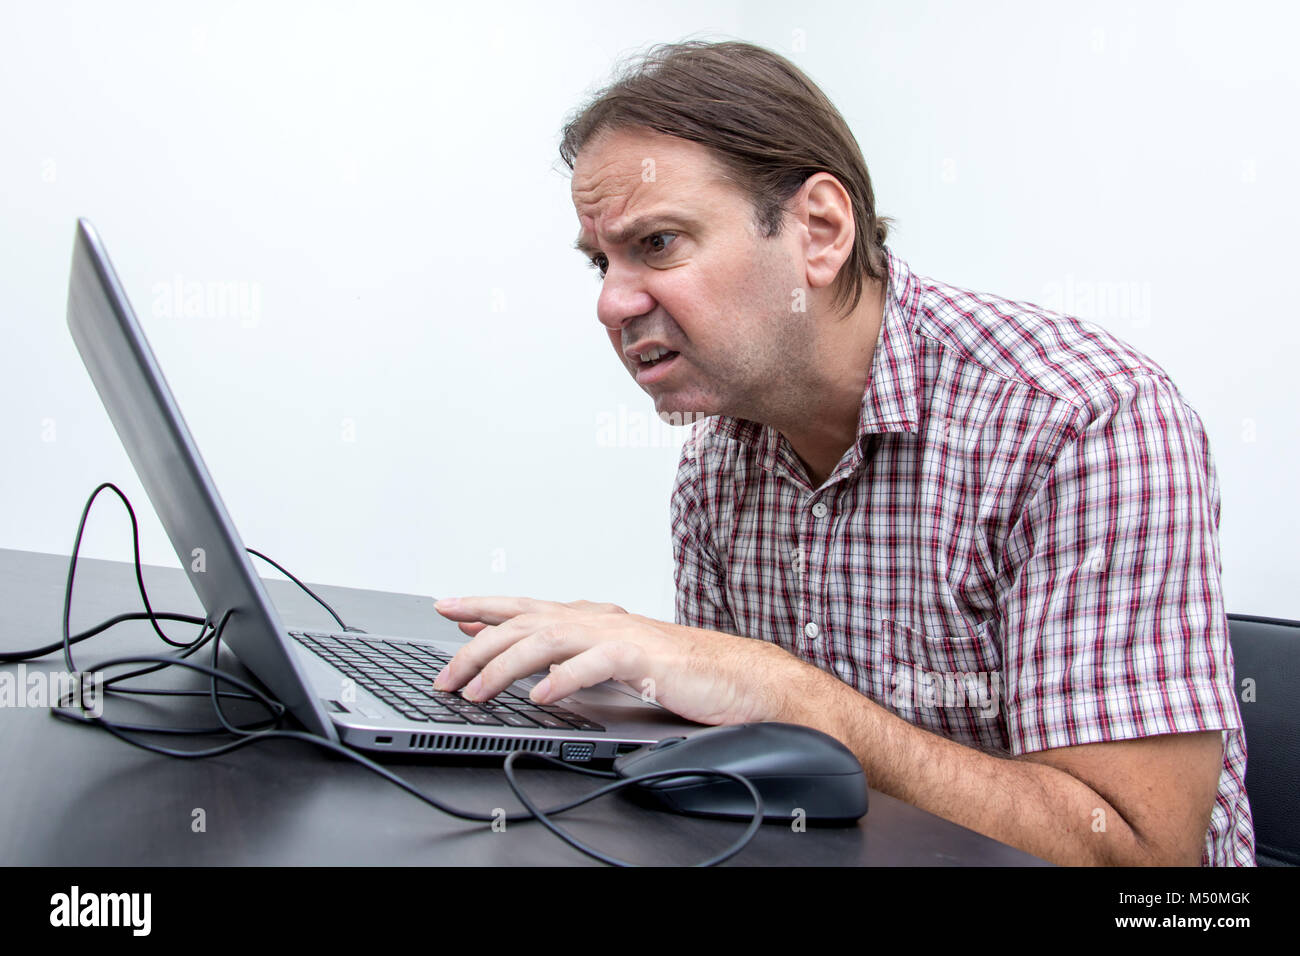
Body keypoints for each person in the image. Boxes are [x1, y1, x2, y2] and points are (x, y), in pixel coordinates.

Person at [431, 39, 1253, 866]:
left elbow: (1143, 859)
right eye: (600, 262)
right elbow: (743, 784)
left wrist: (786, 692)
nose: (612, 301)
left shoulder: (1084, 424)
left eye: (658, 244)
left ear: (819, 232)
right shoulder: (718, 466)